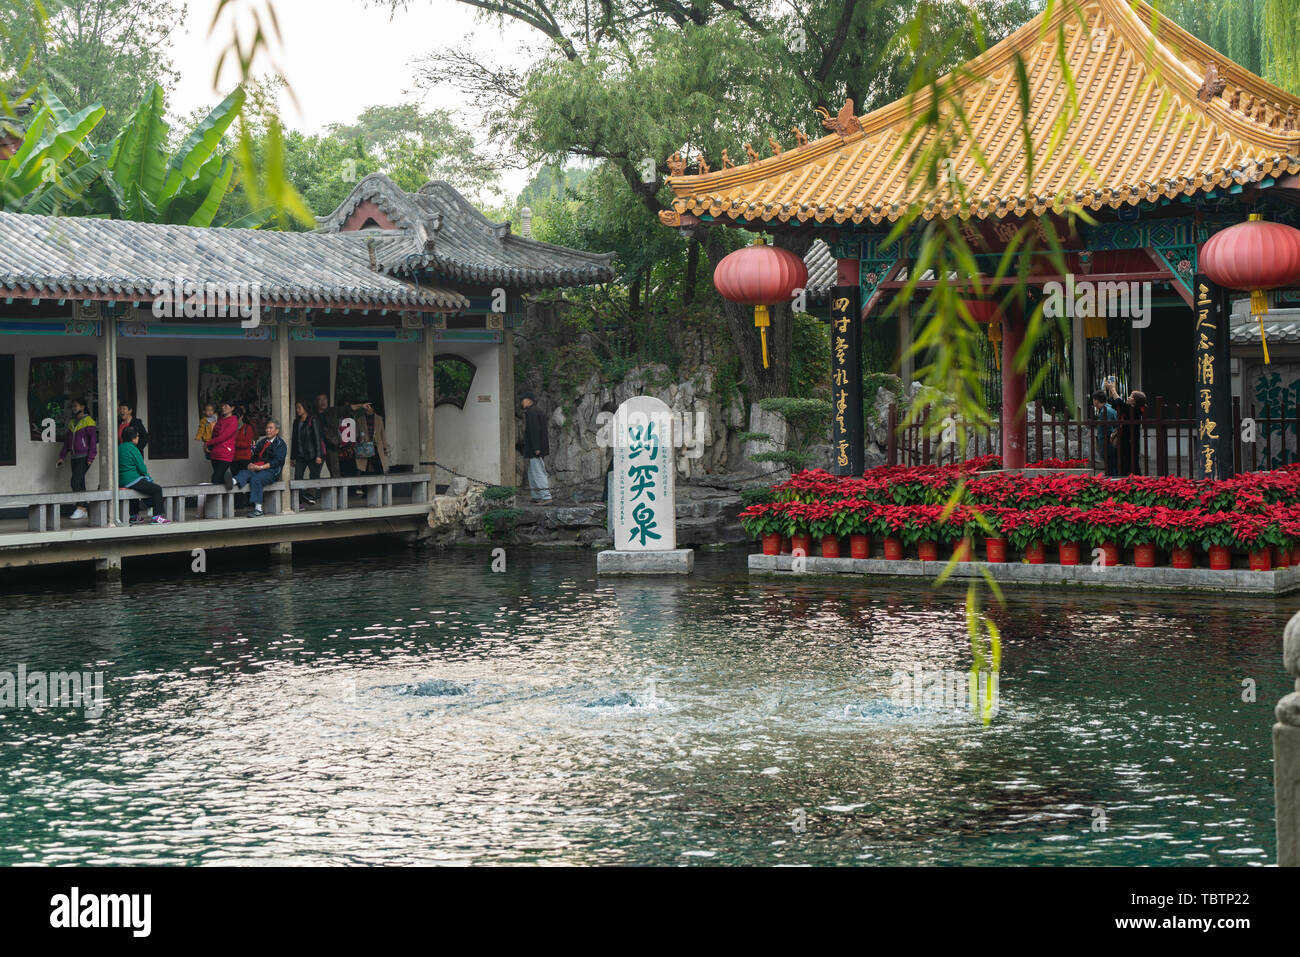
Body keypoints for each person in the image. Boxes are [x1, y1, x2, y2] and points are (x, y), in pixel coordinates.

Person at [225, 419, 287, 518]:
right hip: (258, 468)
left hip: (271, 471)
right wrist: (251, 464)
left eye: (271, 428)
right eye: (267, 428)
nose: (268, 430)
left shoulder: (280, 444)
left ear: (277, 431)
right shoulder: (262, 442)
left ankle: (258, 510)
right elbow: (254, 457)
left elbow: (277, 462)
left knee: (256, 479)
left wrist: (260, 467)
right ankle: (232, 482)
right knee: (245, 472)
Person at [56, 396, 97, 520]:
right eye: (73, 406)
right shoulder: (72, 423)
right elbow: (67, 444)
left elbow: (93, 442)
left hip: (84, 457)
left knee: (75, 480)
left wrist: (91, 457)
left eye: (76, 405)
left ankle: (81, 507)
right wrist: (61, 457)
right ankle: (83, 510)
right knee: (79, 482)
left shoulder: (89, 421)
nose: (74, 408)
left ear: (83, 407)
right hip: (74, 458)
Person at [118, 426, 169, 524]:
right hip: (132, 479)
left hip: (122, 481)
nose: (138, 438)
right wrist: (147, 476)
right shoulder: (133, 448)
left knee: (135, 491)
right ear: (133, 438)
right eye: (137, 436)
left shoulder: (120, 448)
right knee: (157, 489)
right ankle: (157, 517)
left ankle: (133, 516)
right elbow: (142, 468)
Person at [314, 394, 370, 479]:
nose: (323, 402)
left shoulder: (333, 411)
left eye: (325, 399)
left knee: (335, 473)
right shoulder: (313, 415)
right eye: (320, 400)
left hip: (332, 445)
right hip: (318, 446)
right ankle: (311, 492)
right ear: (316, 402)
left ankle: (338, 492)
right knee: (315, 472)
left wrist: (361, 405)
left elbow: (348, 408)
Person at [519, 391, 553, 505]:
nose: (521, 402)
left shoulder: (532, 412)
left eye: (523, 399)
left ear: (529, 400)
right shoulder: (535, 411)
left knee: (538, 471)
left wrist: (537, 447)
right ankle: (537, 496)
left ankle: (546, 496)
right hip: (535, 447)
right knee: (532, 472)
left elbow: (535, 430)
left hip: (535, 448)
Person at [290, 399, 324, 508]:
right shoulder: (296, 422)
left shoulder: (312, 420)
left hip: (312, 454)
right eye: (296, 408)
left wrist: (318, 455)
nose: (297, 410)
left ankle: (311, 496)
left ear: (305, 407)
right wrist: (292, 457)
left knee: (314, 475)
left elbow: (317, 438)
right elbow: (294, 440)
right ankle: (299, 501)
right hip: (300, 455)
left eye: (299, 407)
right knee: (297, 476)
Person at [206, 400, 238, 484]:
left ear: (232, 408)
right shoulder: (220, 419)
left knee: (215, 478)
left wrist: (208, 443)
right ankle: (235, 495)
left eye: (226, 406)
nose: (223, 407)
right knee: (220, 480)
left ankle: (238, 493)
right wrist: (210, 446)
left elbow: (223, 437)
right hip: (215, 453)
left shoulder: (233, 421)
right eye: (223, 405)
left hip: (225, 453)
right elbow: (214, 434)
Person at [353, 401, 388, 477]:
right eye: (366, 407)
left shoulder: (379, 418)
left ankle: (381, 483)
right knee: (364, 467)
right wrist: (359, 439)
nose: (367, 409)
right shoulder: (360, 419)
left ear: (373, 408)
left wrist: (385, 447)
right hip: (365, 446)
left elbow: (382, 434)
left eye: (369, 407)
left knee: (379, 466)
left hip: (376, 445)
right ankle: (364, 486)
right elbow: (356, 433)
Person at [1091, 389, 1118, 477]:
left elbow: (1108, 431)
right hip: (1110, 446)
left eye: (1093, 400)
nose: (1093, 402)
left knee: (1112, 469)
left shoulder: (1105, 412)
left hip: (1108, 446)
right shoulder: (1109, 408)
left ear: (1096, 400)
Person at [232, 407, 256, 476]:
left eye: (237, 417)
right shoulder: (231, 428)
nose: (235, 419)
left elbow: (247, 444)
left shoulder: (247, 428)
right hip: (234, 459)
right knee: (235, 480)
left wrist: (234, 443)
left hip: (245, 459)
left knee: (244, 480)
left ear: (242, 416)